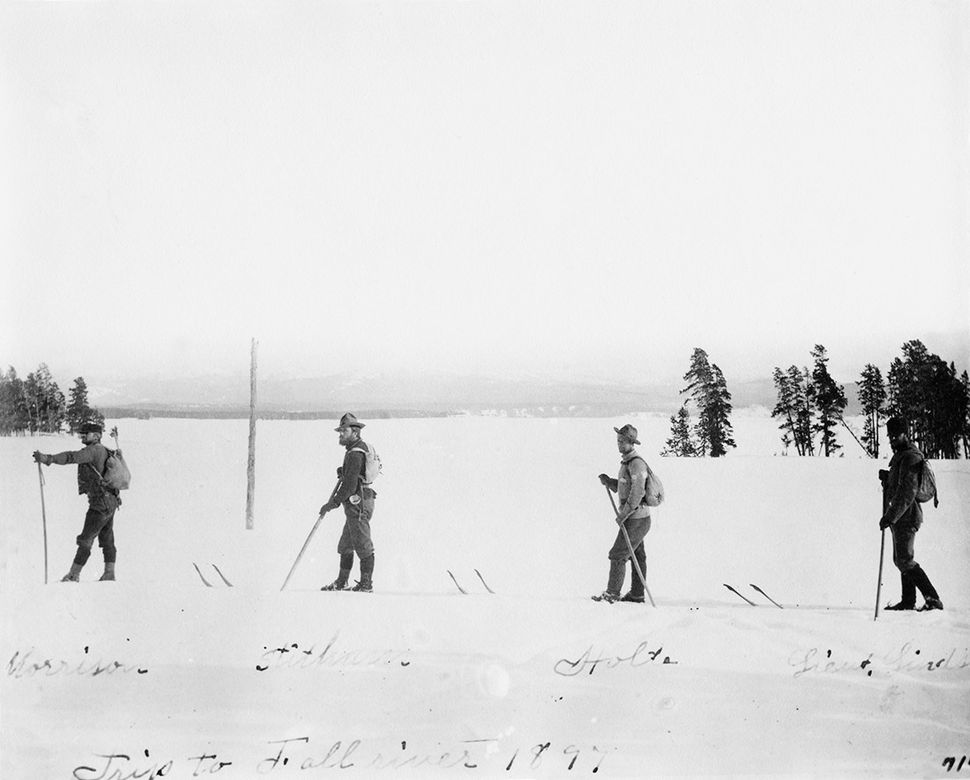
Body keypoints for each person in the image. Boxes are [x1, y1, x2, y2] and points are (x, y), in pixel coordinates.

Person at [32, 421, 121, 582]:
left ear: (96, 436)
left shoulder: (93, 450)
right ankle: (109, 573)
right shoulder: (105, 450)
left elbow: (71, 457)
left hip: (100, 504)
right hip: (111, 501)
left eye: (85, 434)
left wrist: (48, 458)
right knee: (107, 538)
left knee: (86, 539)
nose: (82, 436)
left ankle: (74, 574)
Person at [879, 415, 943, 611]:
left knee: (904, 559)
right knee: (901, 559)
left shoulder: (910, 457)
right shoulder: (902, 455)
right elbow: (900, 483)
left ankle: (933, 599)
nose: (892, 440)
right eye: (890, 436)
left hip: (907, 516)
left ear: (906, 434)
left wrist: (890, 516)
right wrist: (888, 478)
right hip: (901, 517)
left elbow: (907, 492)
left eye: (896, 436)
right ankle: (908, 601)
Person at [318, 413, 378, 593]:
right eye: (340, 431)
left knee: (363, 544)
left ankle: (366, 584)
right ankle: (342, 581)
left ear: (355, 432)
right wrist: (344, 471)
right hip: (359, 501)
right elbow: (353, 475)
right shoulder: (357, 449)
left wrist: (332, 503)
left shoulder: (355, 453)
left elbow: (350, 485)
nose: (340, 434)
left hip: (358, 504)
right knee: (346, 544)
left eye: (344, 431)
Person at [593, 423, 651, 604]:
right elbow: (625, 487)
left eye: (623, 441)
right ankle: (637, 594)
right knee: (636, 555)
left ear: (631, 443)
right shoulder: (627, 462)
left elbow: (637, 493)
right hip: (636, 518)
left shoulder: (637, 464)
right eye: (618, 440)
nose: (619, 444)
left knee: (618, 554)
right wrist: (610, 482)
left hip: (636, 519)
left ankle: (612, 594)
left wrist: (623, 514)